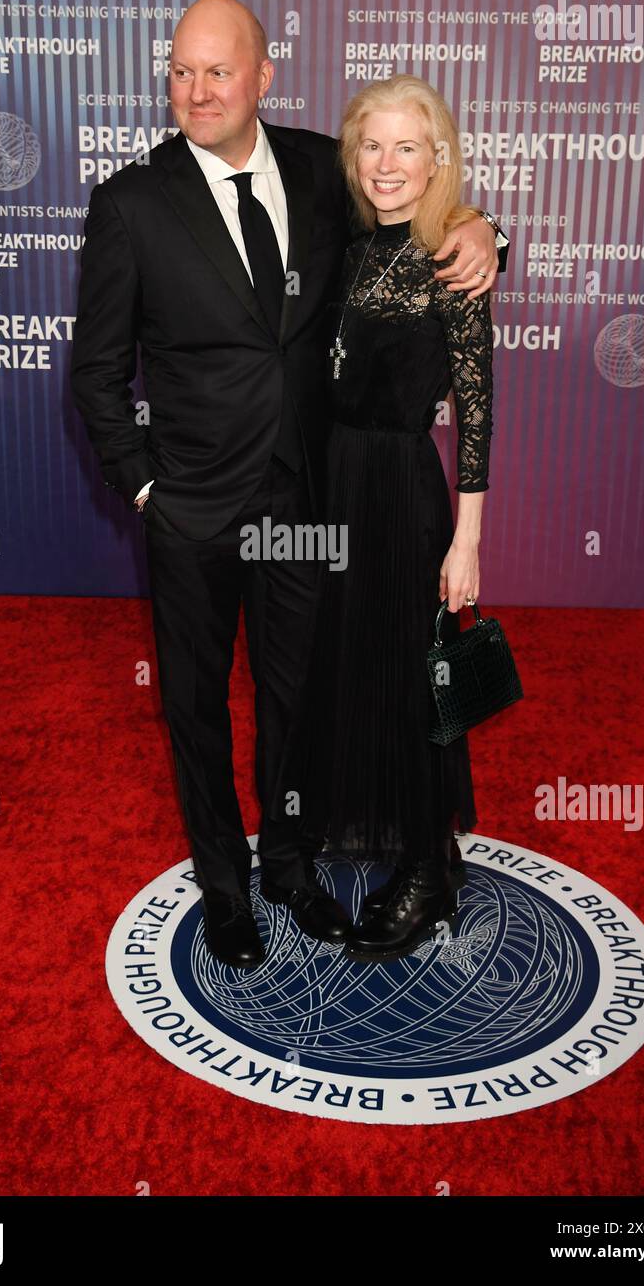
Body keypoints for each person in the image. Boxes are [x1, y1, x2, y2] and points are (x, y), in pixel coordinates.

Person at [70, 0, 507, 970]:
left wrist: (484, 227)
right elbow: (94, 376)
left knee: (294, 696)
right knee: (192, 704)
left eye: (218, 71)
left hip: (306, 507)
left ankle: (292, 864)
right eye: (181, 71)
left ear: (262, 77)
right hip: (189, 512)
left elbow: (417, 208)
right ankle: (224, 887)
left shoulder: (319, 170)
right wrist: (146, 492)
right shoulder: (130, 204)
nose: (197, 90)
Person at [274, 75, 494, 962]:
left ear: (437, 156)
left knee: (414, 677)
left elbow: (476, 412)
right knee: (347, 656)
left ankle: (428, 867)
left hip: (402, 491)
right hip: (332, 487)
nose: (386, 164)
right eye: (371, 146)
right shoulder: (352, 244)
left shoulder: (453, 256)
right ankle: (365, 821)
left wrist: (466, 542)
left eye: (408, 146)